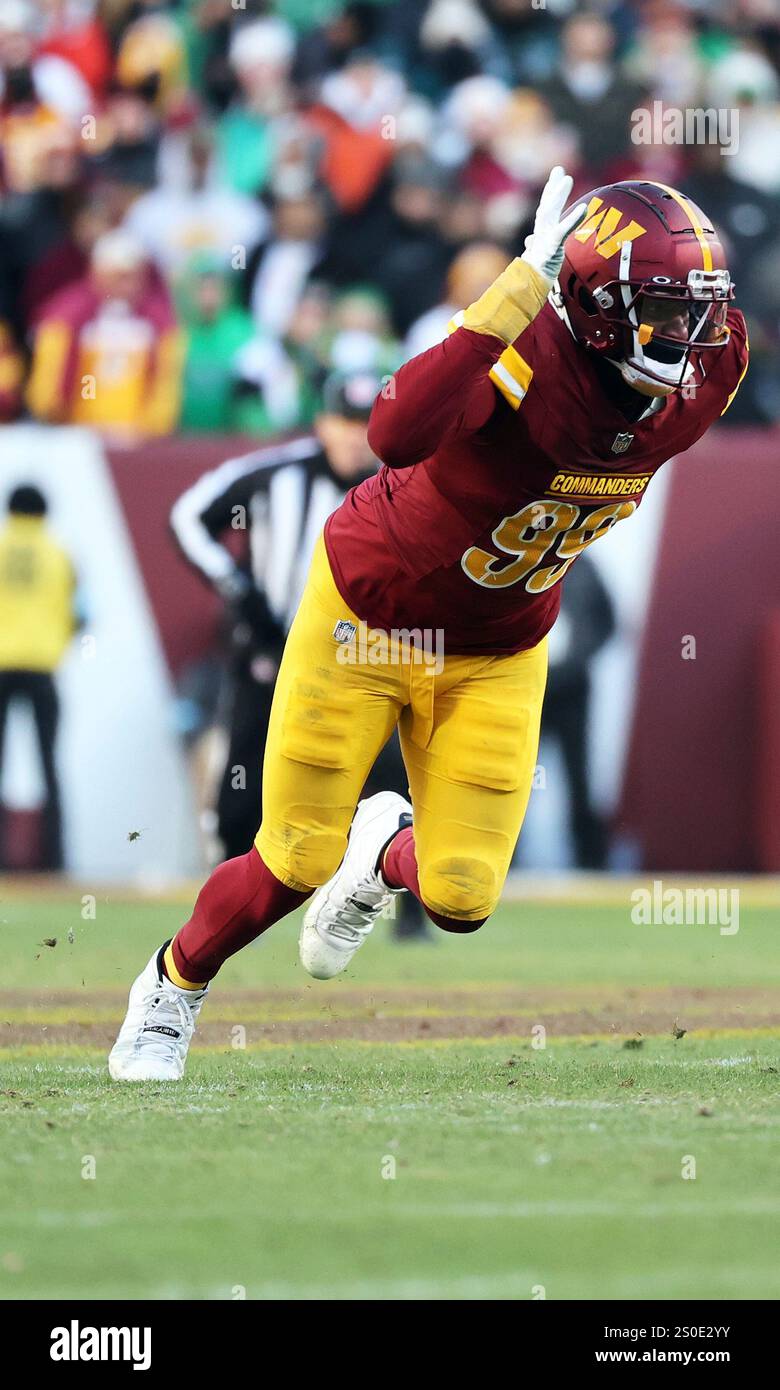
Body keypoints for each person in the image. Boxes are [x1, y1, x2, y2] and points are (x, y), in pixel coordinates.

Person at [109, 167, 748, 1081]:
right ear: (598, 307)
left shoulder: (714, 367)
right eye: (665, 309)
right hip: (369, 615)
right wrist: (511, 294)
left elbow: (666, 377)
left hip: (497, 645)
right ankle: (170, 988)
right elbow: (394, 431)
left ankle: (380, 861)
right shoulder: (526, 350)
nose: (693, 334)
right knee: (291, 857)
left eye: (698, 308)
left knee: (461, 895)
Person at [0, 483, 79, 871]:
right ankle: (55, 861)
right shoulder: (60, 554)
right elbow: (81, 612)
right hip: (43, 667)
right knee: (48, 762)